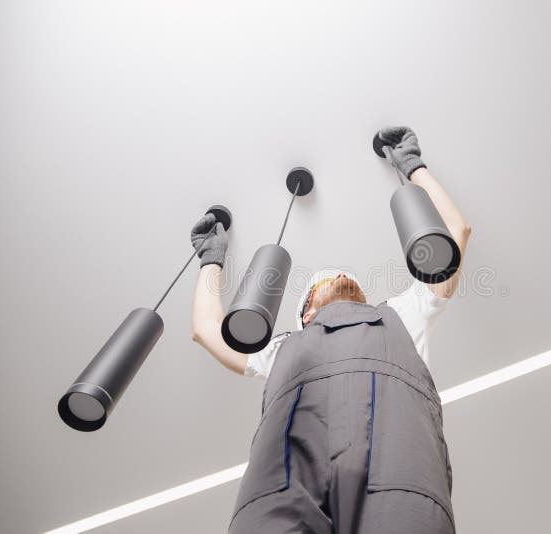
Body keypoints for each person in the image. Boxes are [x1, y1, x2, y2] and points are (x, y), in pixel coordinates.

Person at [191, 126, 471, 534]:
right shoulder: (280, 347)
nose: (340, 280)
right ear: (305, 315)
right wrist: (210, 260)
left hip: (400, 473)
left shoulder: (404, 315)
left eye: (351, 284)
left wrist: (413, 166)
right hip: (286, 479)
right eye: (323, 285)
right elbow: (206, 329)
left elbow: (456, 233)